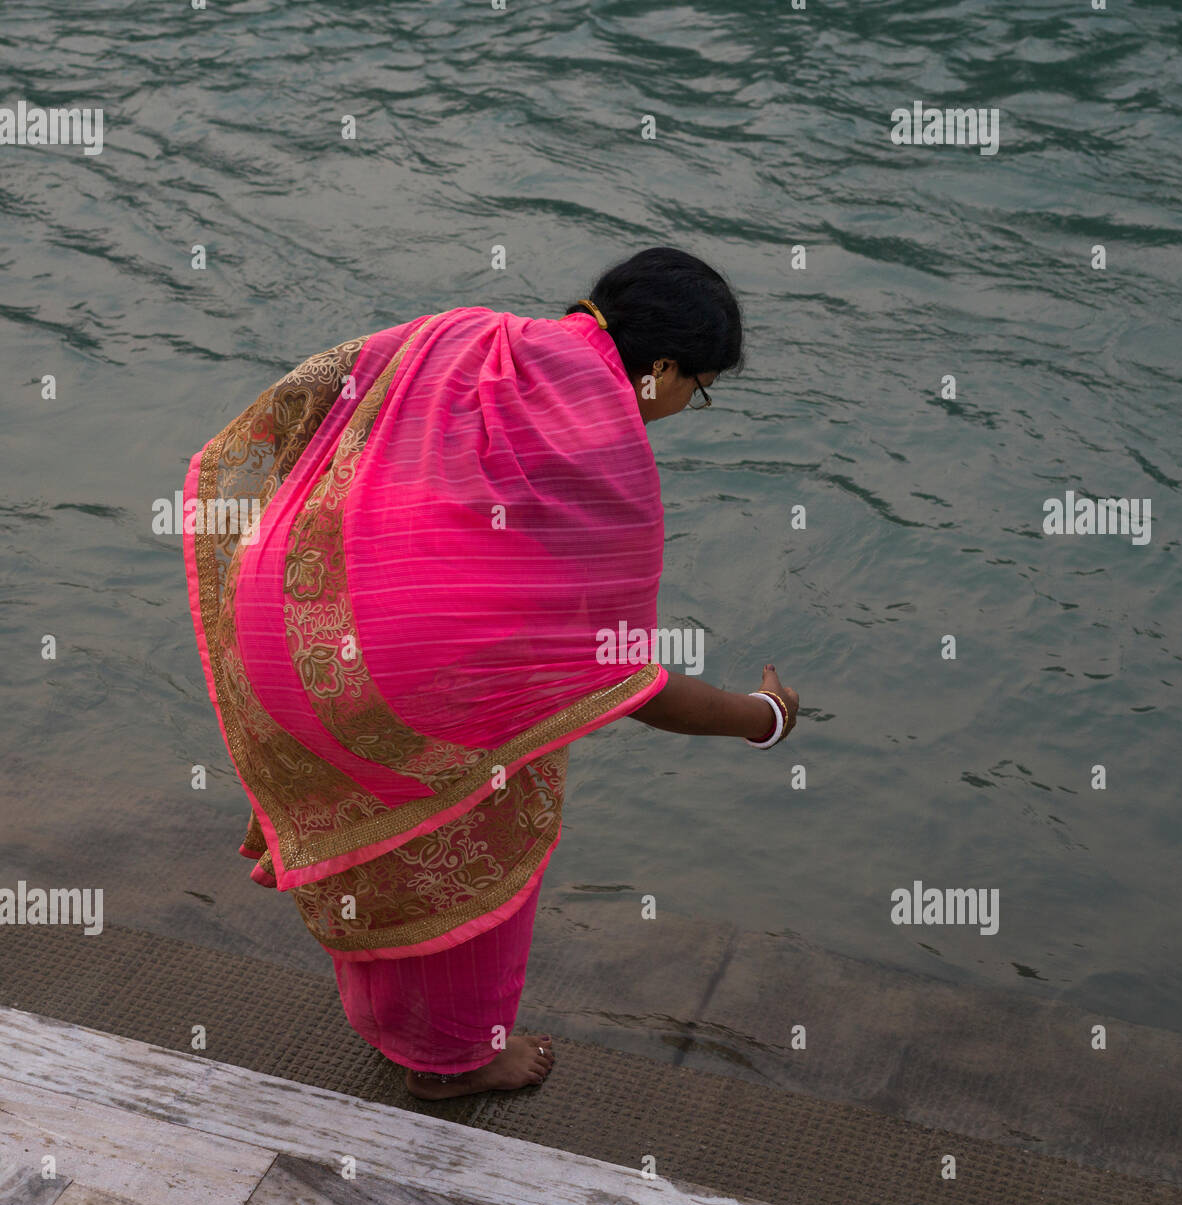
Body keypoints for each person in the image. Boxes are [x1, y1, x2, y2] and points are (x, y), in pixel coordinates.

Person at [183, 246, 799, 1101]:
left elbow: (313, 388)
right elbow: (626, 681)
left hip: (289, 615)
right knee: (490, 814)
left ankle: (390, 1023)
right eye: (697, 388)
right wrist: (760, 716)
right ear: (661, 367)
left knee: (392, 840)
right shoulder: (606, 445)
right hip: (398, 679)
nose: (687, 404)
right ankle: (458, 1060)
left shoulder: (465, 336)